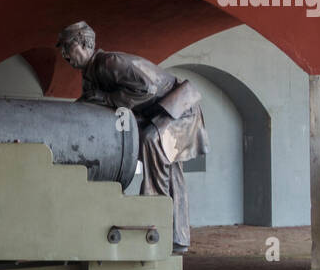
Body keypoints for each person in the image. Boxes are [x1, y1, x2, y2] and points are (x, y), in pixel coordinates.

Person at [56, 21, 208, 253]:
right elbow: (88, 105)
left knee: (149, 140)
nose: (65, 55)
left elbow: (145, 89)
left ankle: (154, 218)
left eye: (69, 47)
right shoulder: (90, 75)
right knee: (169, 168)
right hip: (159, 112)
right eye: (63, 50)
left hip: (178, 107)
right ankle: (177, 236)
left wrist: (107, 100)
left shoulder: (109, 62)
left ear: (86, 44)